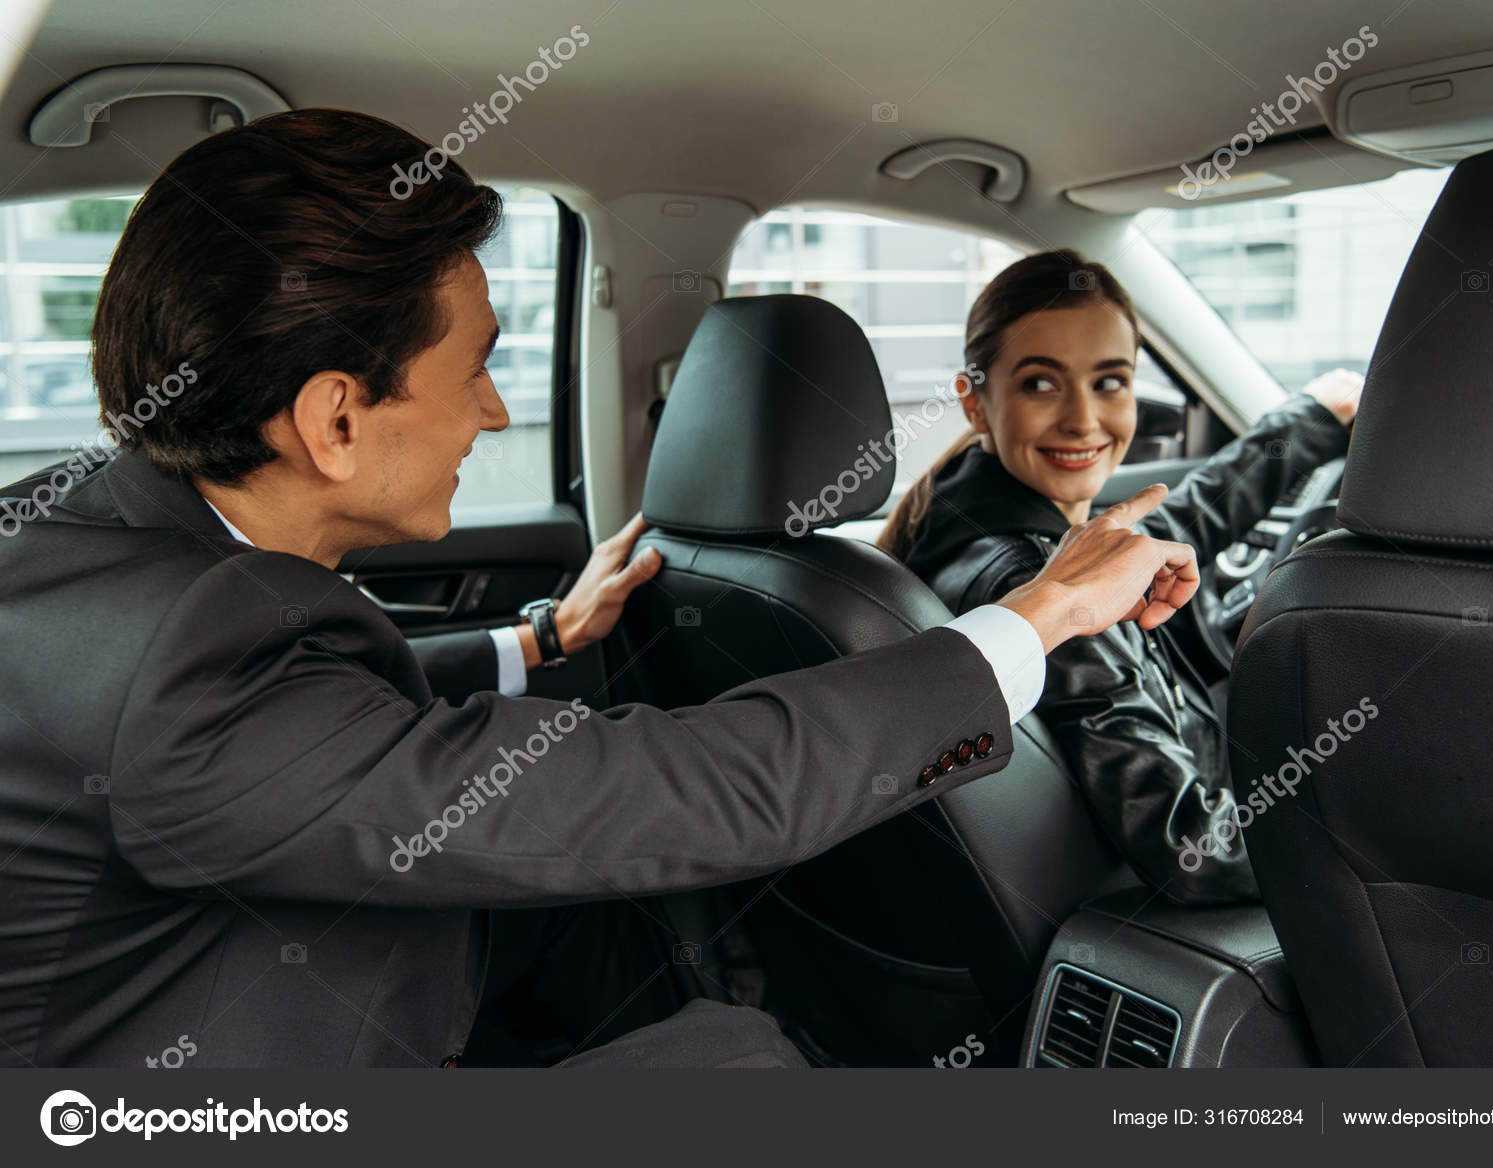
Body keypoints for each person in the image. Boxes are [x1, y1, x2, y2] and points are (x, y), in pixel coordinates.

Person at [0, 113, 1200, 1068]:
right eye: (475, 371)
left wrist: (538, 639)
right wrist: (1038, 614)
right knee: (738, 1065)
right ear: (335, 419)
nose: (494, 413)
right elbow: (682, 788)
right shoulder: (186, 677)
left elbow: (311, 728)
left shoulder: (88, 529)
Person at [882, 250, 1359, 905]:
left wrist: (1307, 420)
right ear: (976, 403)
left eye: (1109, 381)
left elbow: (1171, 530)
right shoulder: (1044, 589)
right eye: (1040, 383)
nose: (1083, 419)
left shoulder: (960, 519)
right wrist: (1376, 834)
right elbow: (1196, 849)